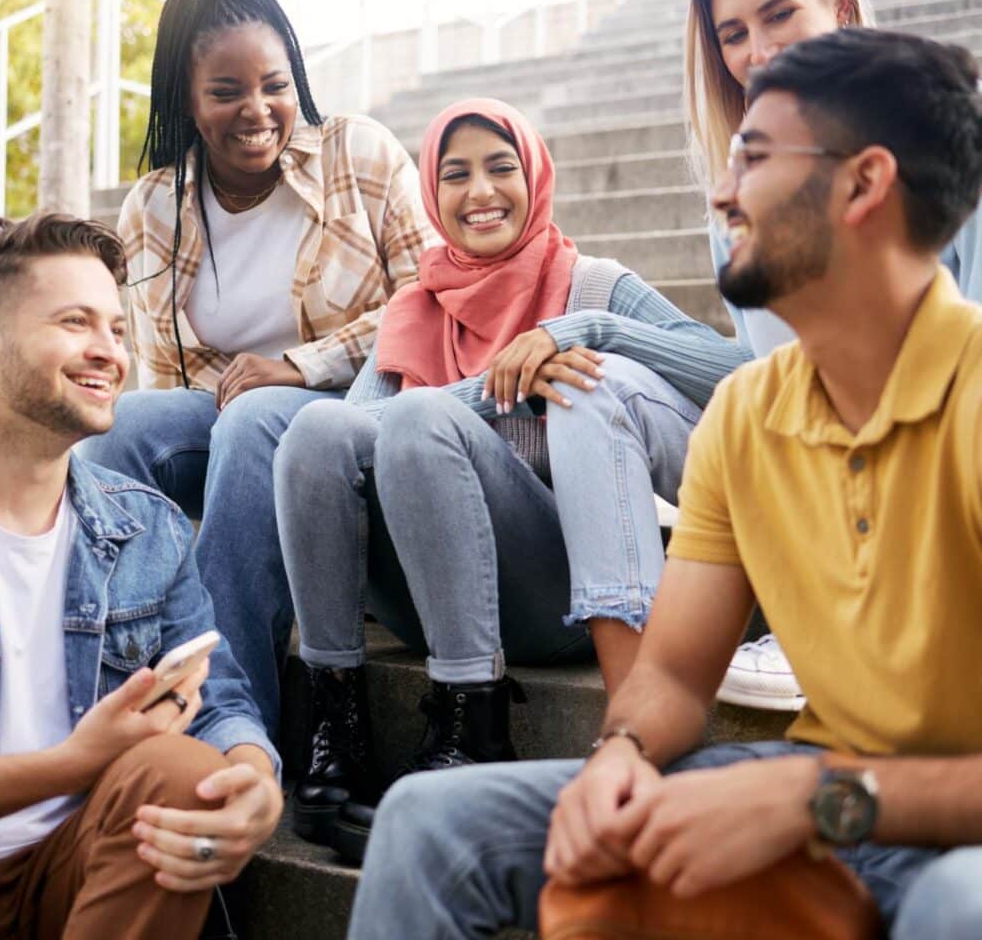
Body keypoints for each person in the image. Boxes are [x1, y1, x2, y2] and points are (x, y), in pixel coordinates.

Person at [346, 29, 982, 940]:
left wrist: (816, 797)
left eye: (755, 159)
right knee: (430, 823)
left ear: (864, 183)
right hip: (813, 790)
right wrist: (622, 754)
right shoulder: (747, 416)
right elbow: (679, 676)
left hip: (920, 824)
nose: (721, 192)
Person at [273, 98, 751, 862]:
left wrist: (589, 333)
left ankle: (473, 729)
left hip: (549, 591)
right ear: (433, 193)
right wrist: (502, 389)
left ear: (534, 176)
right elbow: (348, 439)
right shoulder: (412, 307)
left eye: (501, 167)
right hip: (423, 596)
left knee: (419, 419)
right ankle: (338, 726)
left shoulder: (590, 285)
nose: (480, 191)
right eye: (455, 174)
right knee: (314, 428)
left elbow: (739, 370)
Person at [77, 0, 434, 737]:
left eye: (274, 84)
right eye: (227, 91)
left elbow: (434, 301)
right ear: (185, 99)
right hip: (232, 434)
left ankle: (229, 724)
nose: (258, 110)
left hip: (355, 421)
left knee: (253, 419)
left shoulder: (359, 157)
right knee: (124, 428)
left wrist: (302, 367)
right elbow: (167, 381)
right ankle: (93, 688)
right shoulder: (154, 208)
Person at [0, 213, 284, 938]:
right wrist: (74, 762)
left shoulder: (148, 528)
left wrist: (257, 781)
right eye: (76, 322)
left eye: (115, 328)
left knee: (178, 770)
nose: (108, 352)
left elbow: (220, 696)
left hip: (77, 872)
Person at [685, 0, 982, 710]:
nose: (759, 51)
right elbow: (791, 371)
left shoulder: (944, 127)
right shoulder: (743, 181)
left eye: (779, 13)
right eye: (734, 33)